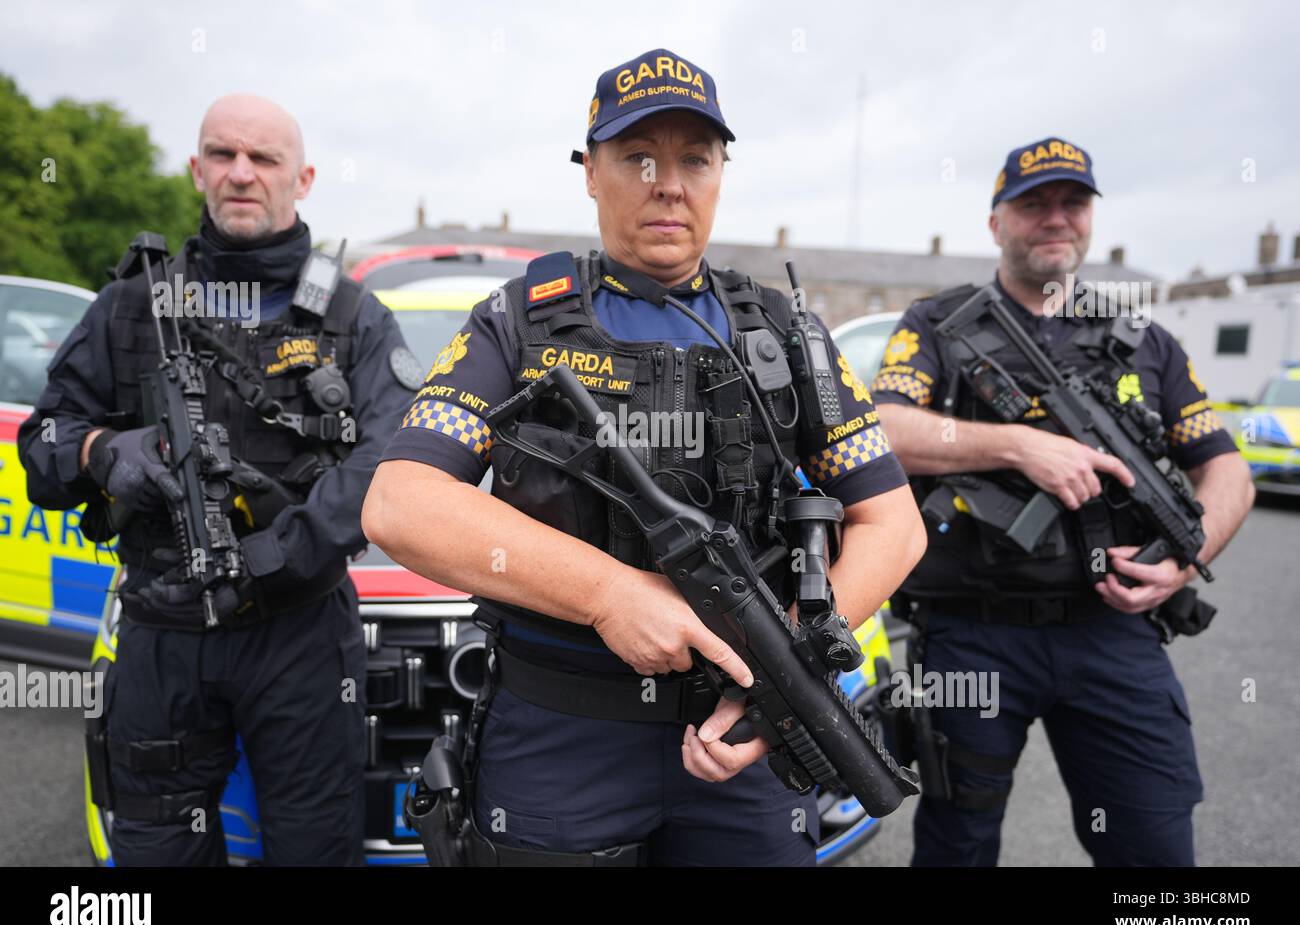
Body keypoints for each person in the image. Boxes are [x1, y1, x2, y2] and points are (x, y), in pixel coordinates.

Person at [364, 49, 926, 866]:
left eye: (694, 158)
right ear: (591, 172)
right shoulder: (517, 322)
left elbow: (893, 525)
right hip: (559, 734)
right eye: (639, 157)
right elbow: (399, 502)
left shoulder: (783, 333)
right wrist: (609, 595)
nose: (670, 183)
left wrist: (785, 676)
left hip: (741, 736)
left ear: (720, 173)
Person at [18, 93, 420, 865]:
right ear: (197, 169)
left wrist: (280, 556)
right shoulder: (129, 307)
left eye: (262, 158)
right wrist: (104, 452)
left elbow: (395, 460)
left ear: (300, 179)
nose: (242, 174)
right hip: (161, 627)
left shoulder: (354, 315)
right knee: (155, 853)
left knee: (315, 850)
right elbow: (44, 442)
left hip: (299, 632)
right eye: (223, 155)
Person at [871, 136, 1254, 866]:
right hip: (972, 633)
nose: (1056, 218)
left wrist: (1186, 555)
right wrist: (1017, 445)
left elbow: (1225, 468)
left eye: (1072, 203)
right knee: (958, 843)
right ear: (995, 223)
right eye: (1033, 204)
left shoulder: (1146, 340)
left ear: (1090, 219)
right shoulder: (936, 324)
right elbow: (882, 427)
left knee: (1155, 844)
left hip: (1113, 630)